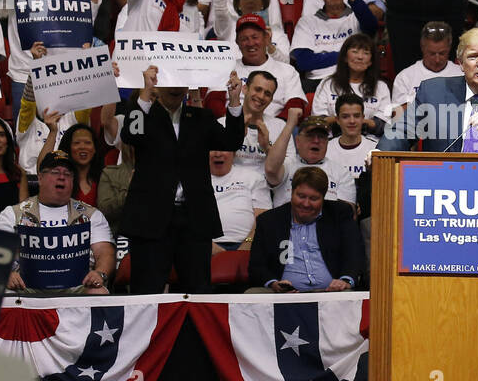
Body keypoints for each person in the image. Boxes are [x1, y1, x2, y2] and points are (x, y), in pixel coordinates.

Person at [118, 66, 245, 293]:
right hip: (151, 220)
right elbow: (131, 134)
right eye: (170, 80)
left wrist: (234, 101)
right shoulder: (145, 114)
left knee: (198, 293)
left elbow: (231, 141)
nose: (176, 87)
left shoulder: (200, 117)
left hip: (194, 220)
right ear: (159, 84)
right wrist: (145, 93)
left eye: (181, 81)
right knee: (146, 292)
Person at [378, 27, 478, 154]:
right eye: (472, 56)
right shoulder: (433, 92)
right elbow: (401, 131)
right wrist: (380, 154)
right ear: (461, 64)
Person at [0, 151, 115, 296]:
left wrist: (100, 273)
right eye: (55, 172)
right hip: (26, 287)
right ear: (40, 178)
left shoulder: (91, 215)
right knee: (1, 291)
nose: (62, 177)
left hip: (78, 286)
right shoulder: (13, 214)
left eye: (68, 174)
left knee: (99, 292)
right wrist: (5, 272)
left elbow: (104, 251)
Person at [248, 167, 365, 293]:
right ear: (292, 193)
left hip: (331, 293)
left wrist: (345, 281)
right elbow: (257, 265)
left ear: (323, 198)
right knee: (252, 293)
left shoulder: (339, 214)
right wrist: (274, 283)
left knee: (349, 295)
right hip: (283, 295)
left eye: (314, 199)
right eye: (301, 196)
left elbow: (354, 253)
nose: (306, 204)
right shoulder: (269, 221)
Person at [310, 33, 392, 135]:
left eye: (366, 53)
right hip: (332, 141)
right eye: (355, 52)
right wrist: (351, 121)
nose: (360, 57)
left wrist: (348, 120)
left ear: (371, 61)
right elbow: (318, 121)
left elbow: (382, 125)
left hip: (370, 142)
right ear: (345, 57)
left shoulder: (381, 87)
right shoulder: (328, 84)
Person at [264, 112, 351, 208]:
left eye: (321, 136)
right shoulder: (286, 165)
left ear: (327, 142)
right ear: (297, 141)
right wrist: (290, 125)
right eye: (310, 136)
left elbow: (347, 212)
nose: (316, 141)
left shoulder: (341, 172)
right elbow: (271, 170)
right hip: (286, 220)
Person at [232, 14, 301, 117]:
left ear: (266, 38)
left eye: (255, 37)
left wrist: (276, 125)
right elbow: (214, 100)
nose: (250, 43)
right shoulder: (227, 68)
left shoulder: (287, 71)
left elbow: (296, 104)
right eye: (244, 39)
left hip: (275, 127)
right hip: (231, 125)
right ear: (237, 42)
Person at [390, 21, 463, 114]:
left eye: (442, 53)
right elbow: (397, 114)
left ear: (449, 47)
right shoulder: (405, 77)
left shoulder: (461, 74)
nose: (437, 59)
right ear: (422, 47)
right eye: (432, 54)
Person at [209, 149, 270, 253]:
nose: (218, 154)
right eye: (213, 149)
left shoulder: (253, 177)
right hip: (206, 247)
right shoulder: (194, 179)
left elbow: (263, 216)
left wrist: (248, 244)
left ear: (234, 153)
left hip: (248, 245)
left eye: (223, 149)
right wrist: (210, 248)